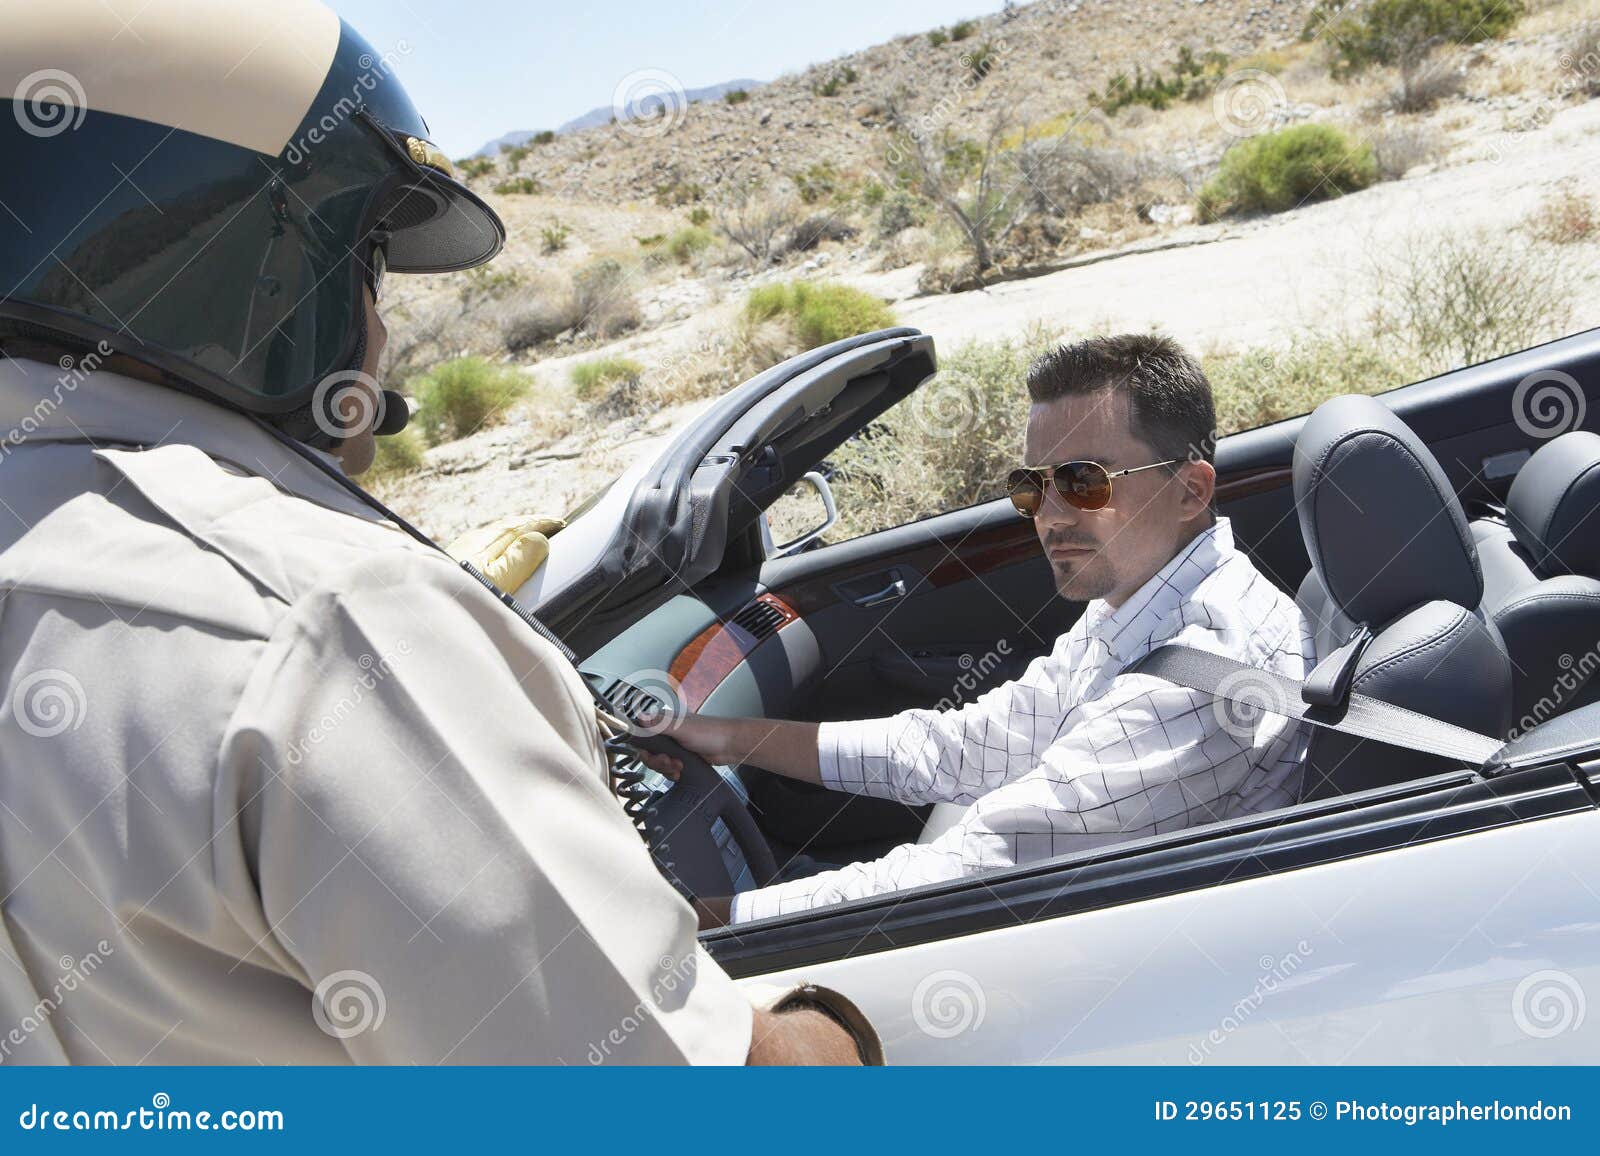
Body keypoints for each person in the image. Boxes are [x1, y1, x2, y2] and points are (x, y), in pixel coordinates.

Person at [0, 0, 879, 1065]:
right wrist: (828, 1023)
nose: (380, 328)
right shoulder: (327, 627)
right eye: (366, 254)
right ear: (268, 271)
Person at [640, 335, 1316, 926]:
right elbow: (966, 747)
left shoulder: (1201, 668)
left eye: (1083, 481)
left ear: (1191, 491)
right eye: (1032, 485)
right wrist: (729, 738)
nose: (1047, 516)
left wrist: (712, 925)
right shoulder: (1139, 602)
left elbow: (986, 864)